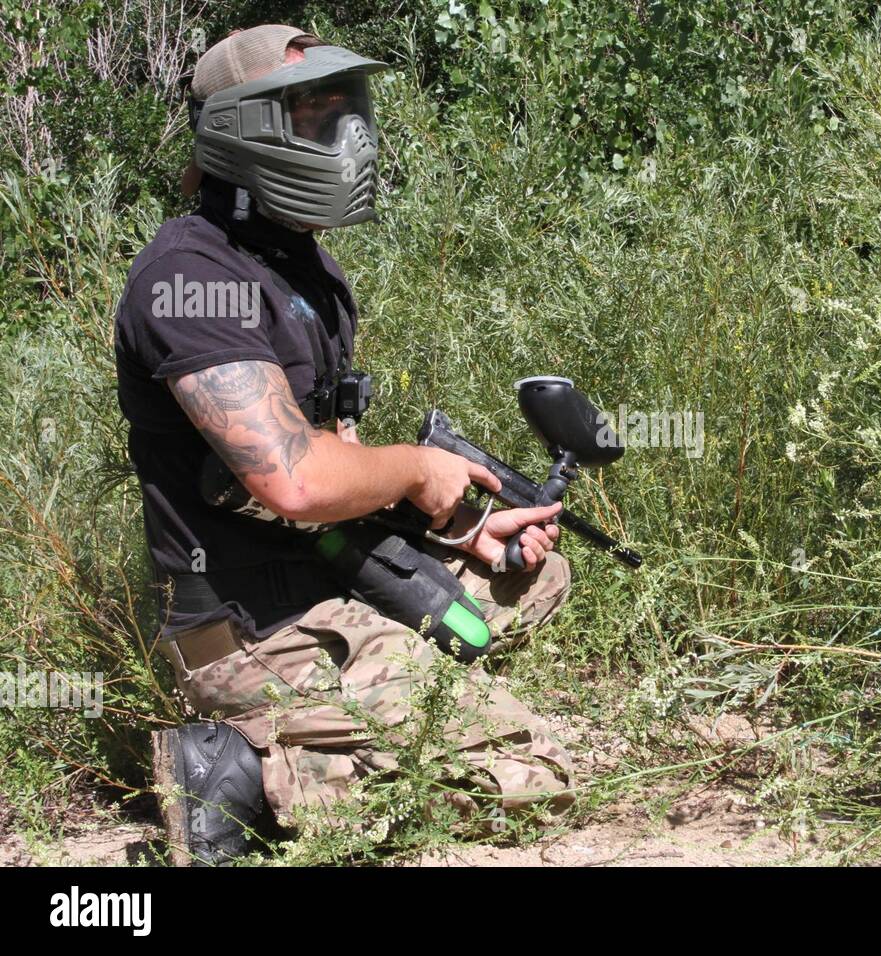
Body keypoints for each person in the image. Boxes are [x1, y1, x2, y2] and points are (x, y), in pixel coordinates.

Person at [113, 24, 575, 865]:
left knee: (538, 572)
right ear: (239, 129)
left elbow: (338, 475)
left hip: (327, 572)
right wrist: (419, 466)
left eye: (345, 109)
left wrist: (461, 529)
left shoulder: (303, 271)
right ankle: (234, 767)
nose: (346, 136)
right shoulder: (191, 277)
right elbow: (292, 480)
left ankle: (369, 701)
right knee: (524, 771)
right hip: (248, 627)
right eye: (313, 113)